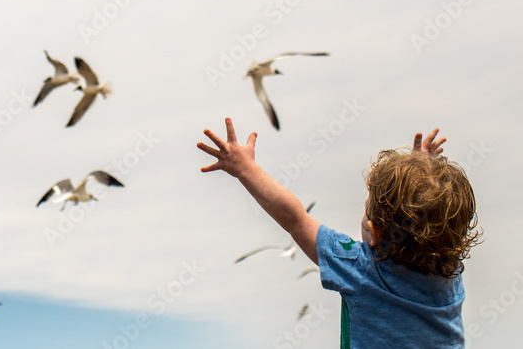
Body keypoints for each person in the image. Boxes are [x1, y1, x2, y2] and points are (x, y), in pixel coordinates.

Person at [197, 118, 480, 348]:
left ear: (375, 234)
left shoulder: (362, 270)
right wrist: (420, 176)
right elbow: (429, 222)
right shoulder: (449, 273)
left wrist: (245, 168)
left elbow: (294, 218)